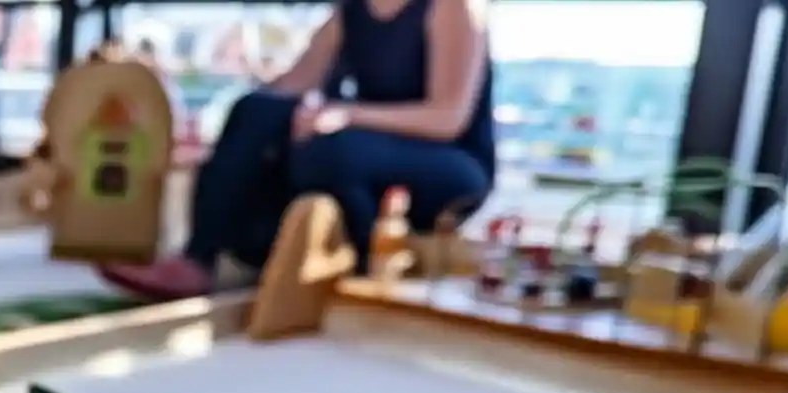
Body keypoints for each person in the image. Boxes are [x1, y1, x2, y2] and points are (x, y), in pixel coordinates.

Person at [99, 0, 496, 299]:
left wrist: (346, 114)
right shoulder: (350, 12)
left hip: (453, 162)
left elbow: (448, 118)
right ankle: (200, 259)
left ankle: (353, 272)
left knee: (333, 151)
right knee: (256, 110)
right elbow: (293, 86)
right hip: (368, 141)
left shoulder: (453, 7)